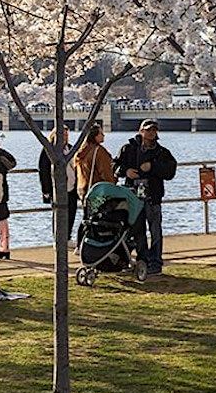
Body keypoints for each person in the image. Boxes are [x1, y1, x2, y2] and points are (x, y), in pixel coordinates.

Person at [114, 119, 178, 279]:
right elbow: (114, 166)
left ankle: (155, 262)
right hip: (133, 196)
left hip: (153, 196)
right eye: (148, 130)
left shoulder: (162, 152)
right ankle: (140, 260)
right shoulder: (128, 149)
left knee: (155, 230)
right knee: (136, 230)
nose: (151, 133)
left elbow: (171, 171)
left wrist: (153, 167)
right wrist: (125, 171)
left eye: (154, 130)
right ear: (141, 130)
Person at [38, 126, 79, 244]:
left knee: (72, 212)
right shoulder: (48, 150)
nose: (65, 137)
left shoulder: (70, 149)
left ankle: (68, 237)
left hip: (71, 186)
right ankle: (58, 238)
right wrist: (46, 190)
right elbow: (43, 170)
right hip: (56, 187)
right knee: (58, 214)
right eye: (63, 134)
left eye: (67, 135)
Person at [73, 122, 116, 201]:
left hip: (83, 191)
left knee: (88, 212)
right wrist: (112, 186)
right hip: (99, 192)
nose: (104, 135)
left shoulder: (81, 152)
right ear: (95, 136)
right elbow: (106, 172)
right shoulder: (99, 151)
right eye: (101, 133)